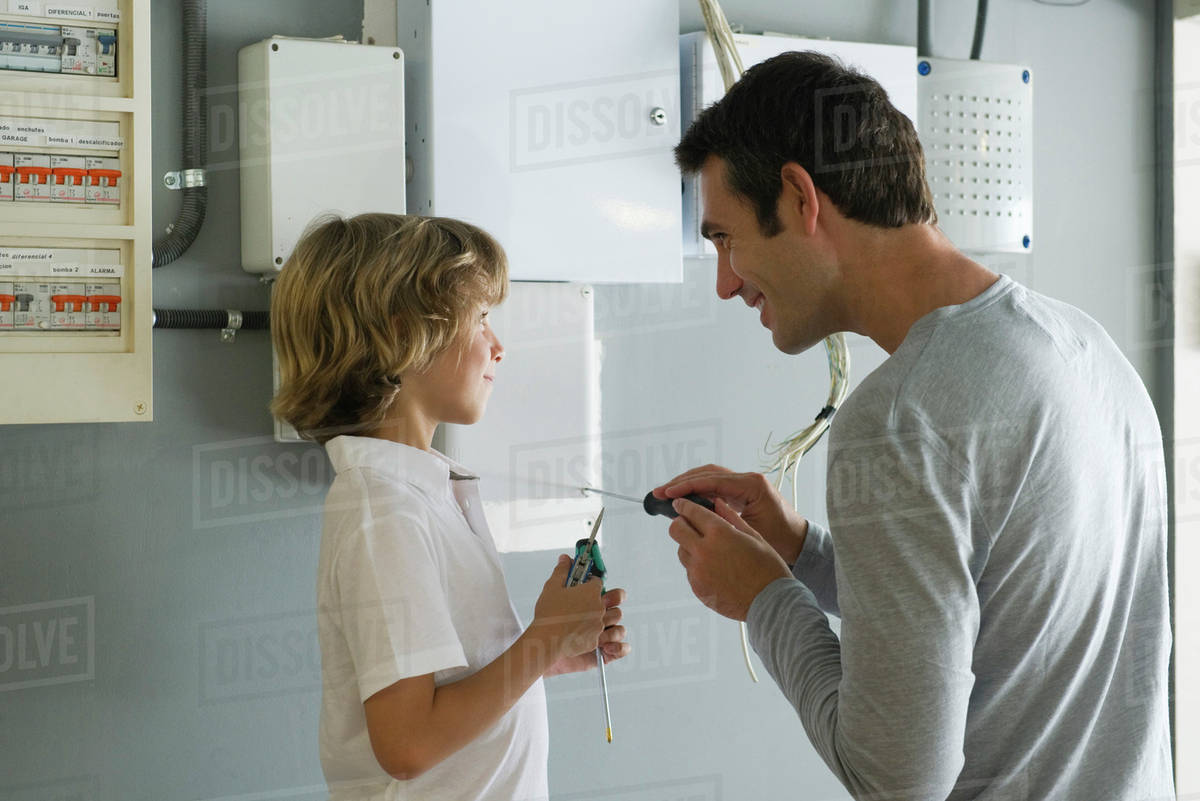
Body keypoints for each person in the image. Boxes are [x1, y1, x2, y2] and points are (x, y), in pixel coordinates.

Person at [654, 51, 1174, 800]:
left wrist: (765, 598)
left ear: (800, 197)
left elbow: (897, 780)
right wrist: (798, 550)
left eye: (725, 238)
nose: (726, 281)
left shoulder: (901, 419)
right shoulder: (1086, 348)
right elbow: (997, 607)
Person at [269, 213, 630, 801]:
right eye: (482, 318)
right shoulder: (383, 511)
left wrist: (551, 651)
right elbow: (408, 743)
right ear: (405, 334)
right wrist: (540, 639)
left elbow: (446, 689)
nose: (498, 345)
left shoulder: (424, 492)